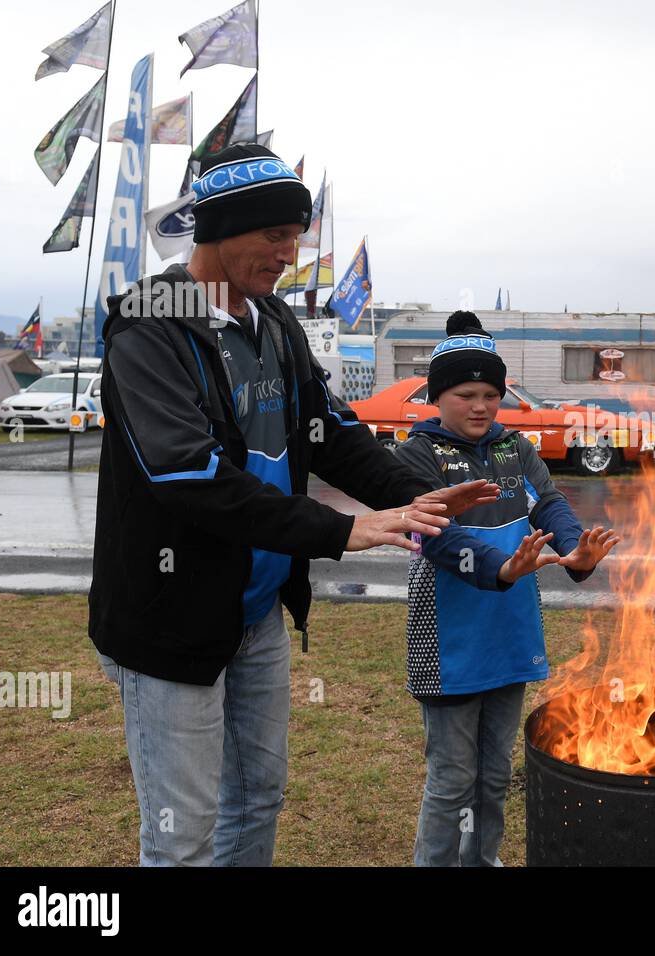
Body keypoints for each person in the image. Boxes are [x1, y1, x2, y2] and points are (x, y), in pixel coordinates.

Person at [90, 144, 497, 866]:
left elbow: (332, 433)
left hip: (257, 617)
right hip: (170, 619)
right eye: (275, 234)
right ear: (217, 230)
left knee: (256, 801)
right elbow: (188, 475)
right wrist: (340, 531)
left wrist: (416, 496)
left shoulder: (271, 321)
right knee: (182, 836)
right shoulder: (148, 323)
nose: (289, 253)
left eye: (296, 235)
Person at [392, 311, 619, 867]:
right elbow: (437, 540)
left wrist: (574, 553)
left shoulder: (517, 449)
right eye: (466, 393)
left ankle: (481, 860)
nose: (481, 406)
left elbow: (551, 505)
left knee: (494, 777)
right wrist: (499, 569)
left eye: (491, 393)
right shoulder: (417, 454)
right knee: (451, 778)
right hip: (449, 644)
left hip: (511, 637)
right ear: (436, 396)